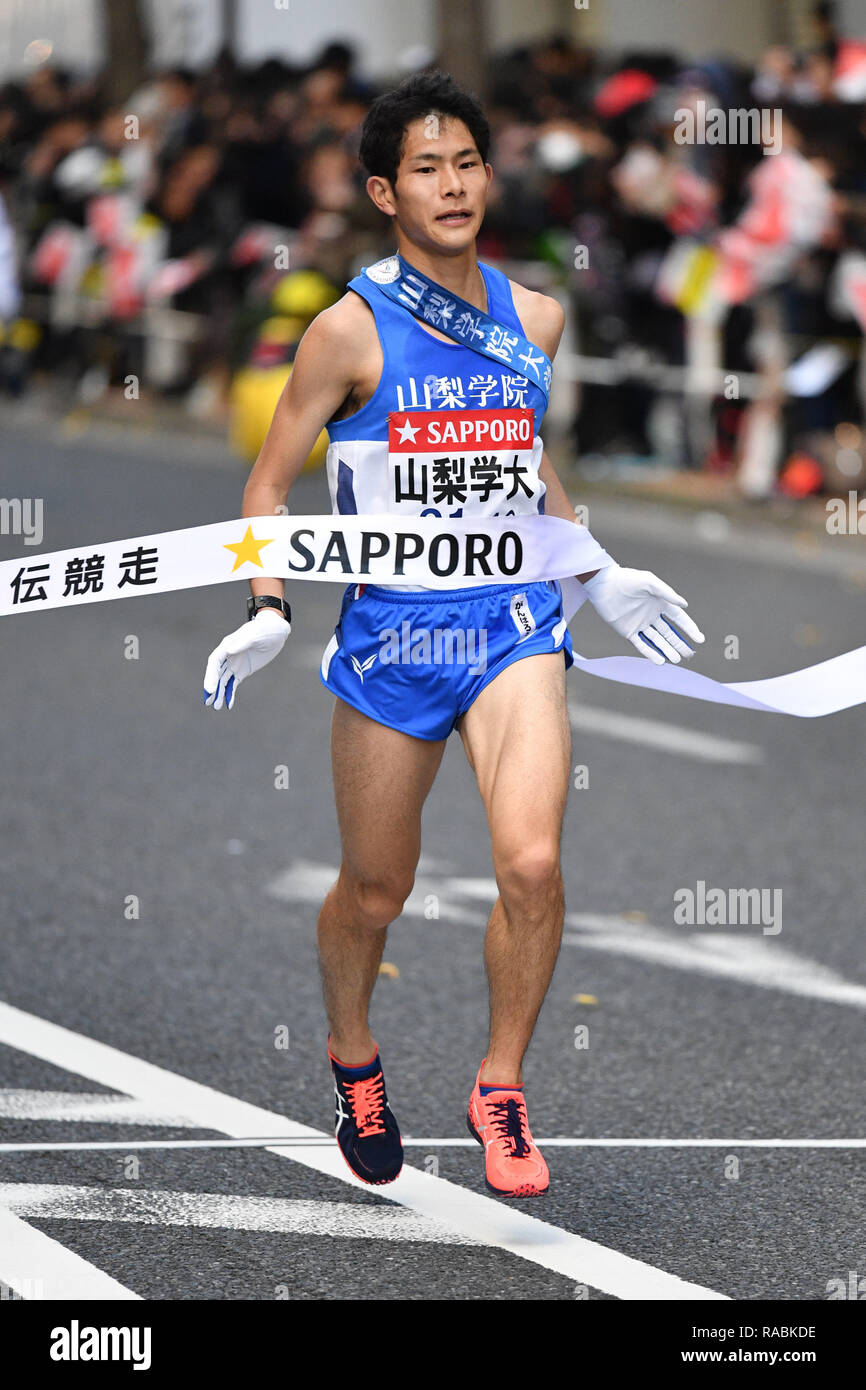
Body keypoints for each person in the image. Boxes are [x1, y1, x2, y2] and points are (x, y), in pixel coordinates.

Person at [203, 71, 703, 1198]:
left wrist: (600, 568)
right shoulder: (344, 331)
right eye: (425, 168)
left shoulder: (536, 315)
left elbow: (522, 466)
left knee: (529, 859)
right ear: (385, 190)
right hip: (391, 640)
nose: (452, 184)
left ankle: (500, 1082)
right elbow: (267, 484)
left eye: (467, 162)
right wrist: (266, 604)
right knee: (375, 890)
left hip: (510, 626)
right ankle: (353, 1060)